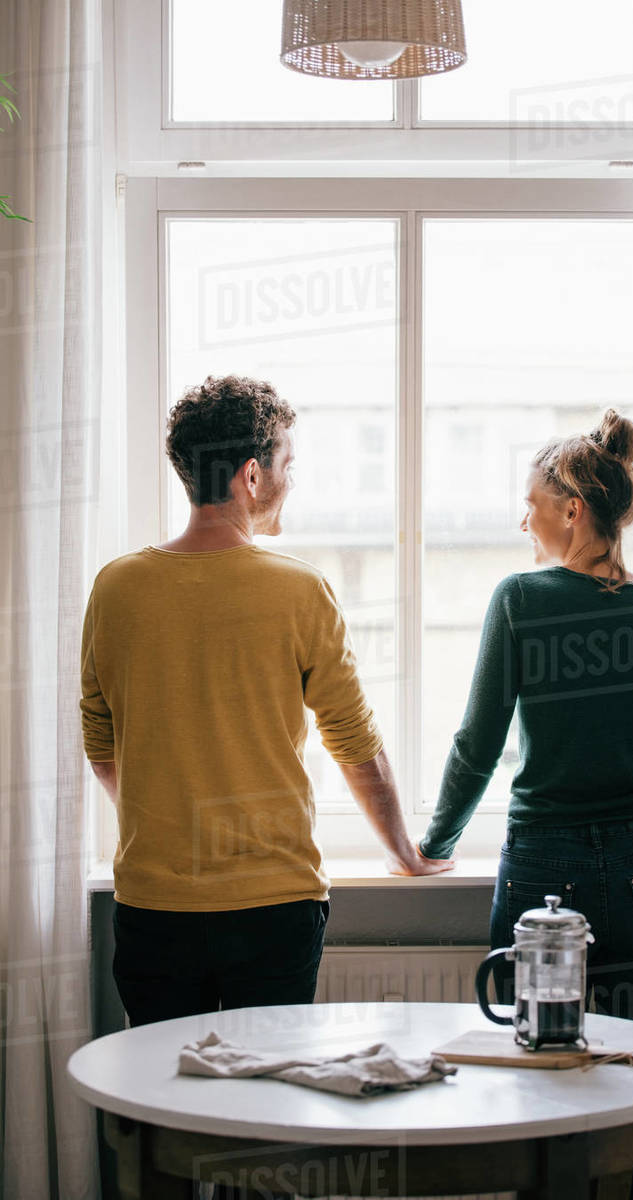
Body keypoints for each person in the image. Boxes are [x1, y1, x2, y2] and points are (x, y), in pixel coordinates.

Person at [80, 374, 451, 1031]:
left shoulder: (116, 587)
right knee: (266, 1109)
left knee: (165, 1107)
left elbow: (101, 742)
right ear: (251, 476)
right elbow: (353, 740)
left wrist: (163, 818)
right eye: (287, 465)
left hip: (154, 905)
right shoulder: (299, 589)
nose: (290, 482)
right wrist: (405, 851)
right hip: (273, 908)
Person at [417, 408, 633, 1200]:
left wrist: (434, 841)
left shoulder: (521, 598)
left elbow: (477, 744)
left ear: (573, 509)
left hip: (545, 874)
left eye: (532, 503)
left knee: (538, 1097)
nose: (524, 519)